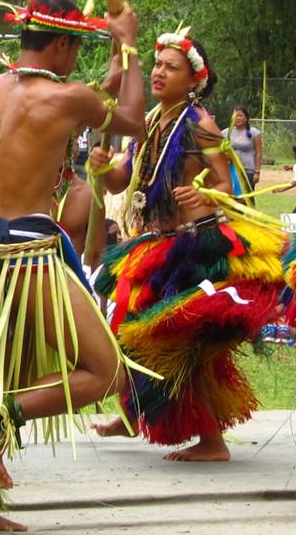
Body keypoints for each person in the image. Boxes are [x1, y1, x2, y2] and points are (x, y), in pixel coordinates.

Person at [0, 0, 153, 531]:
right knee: (107, 371)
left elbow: (86, 99)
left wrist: (115, 66)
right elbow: (133, 122)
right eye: (76, 49)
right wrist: (132, 49)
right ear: (61, 44)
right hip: (27, 252)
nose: (77, 61)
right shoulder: (68, 97)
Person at [89, 28, 285, 463]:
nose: (159, 72)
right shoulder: (149, 121)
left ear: (193, 79)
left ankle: (212, 443)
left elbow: (227, 187)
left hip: (194, 249)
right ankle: (132, 413)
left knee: (182, 346)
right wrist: (103, 169)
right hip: (154, 244)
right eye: (157, 64)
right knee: (126, 330)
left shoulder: (201, 125)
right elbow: (127, 179)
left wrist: (204, 195)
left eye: (170, 67)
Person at [221, 105, 262, 191]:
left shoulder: (254, 133)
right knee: (231, 198)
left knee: (247, 199)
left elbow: (258, 154)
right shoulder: (225, 133)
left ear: (246, 118)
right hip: (230, 171)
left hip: (248, 171)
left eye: (240, 115)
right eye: (235, 116)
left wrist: (257, 172)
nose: (237, 118)